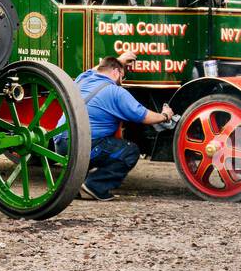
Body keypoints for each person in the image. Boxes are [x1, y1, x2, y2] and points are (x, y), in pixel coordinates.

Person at [69, 52, 173, 201]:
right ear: (116, 72)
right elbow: (144, 116)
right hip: (86, 147)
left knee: (102, 141)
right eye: (122, 76)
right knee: (130, 150)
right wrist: (165, 115)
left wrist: (118, 60)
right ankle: (94, 186)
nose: (121, 80)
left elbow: (98, 68)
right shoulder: (116, 92)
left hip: (63, 144)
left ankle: (76, 185)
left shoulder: (83, 78)